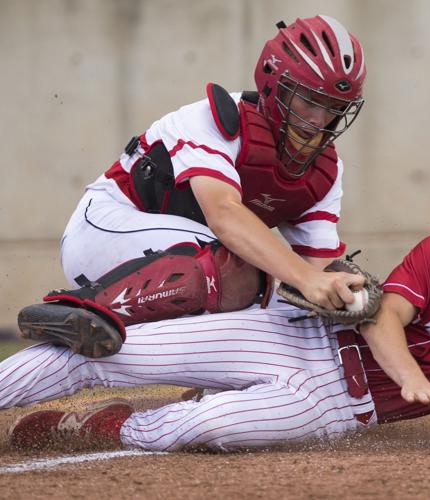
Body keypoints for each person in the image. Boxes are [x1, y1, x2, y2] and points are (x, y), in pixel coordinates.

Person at [3, 164, 430, 452]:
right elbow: (383, 315)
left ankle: (103, 426)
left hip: (337, 403)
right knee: (101, 345)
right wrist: (412, 378)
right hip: (293, 334)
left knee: (202, 429)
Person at [17, 15, 369, 358]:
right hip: (104, 231)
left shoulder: (326, 168)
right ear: (276, 84)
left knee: (277, 301)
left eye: (334, 107)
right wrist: (307, 280)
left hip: (181, 257)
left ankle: (208, 386)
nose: (319, 120)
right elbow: (224, 215)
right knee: (240, 268)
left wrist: (344, 294)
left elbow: (315, 272)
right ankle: (77, 309)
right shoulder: (216, 119)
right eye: (310, 100)